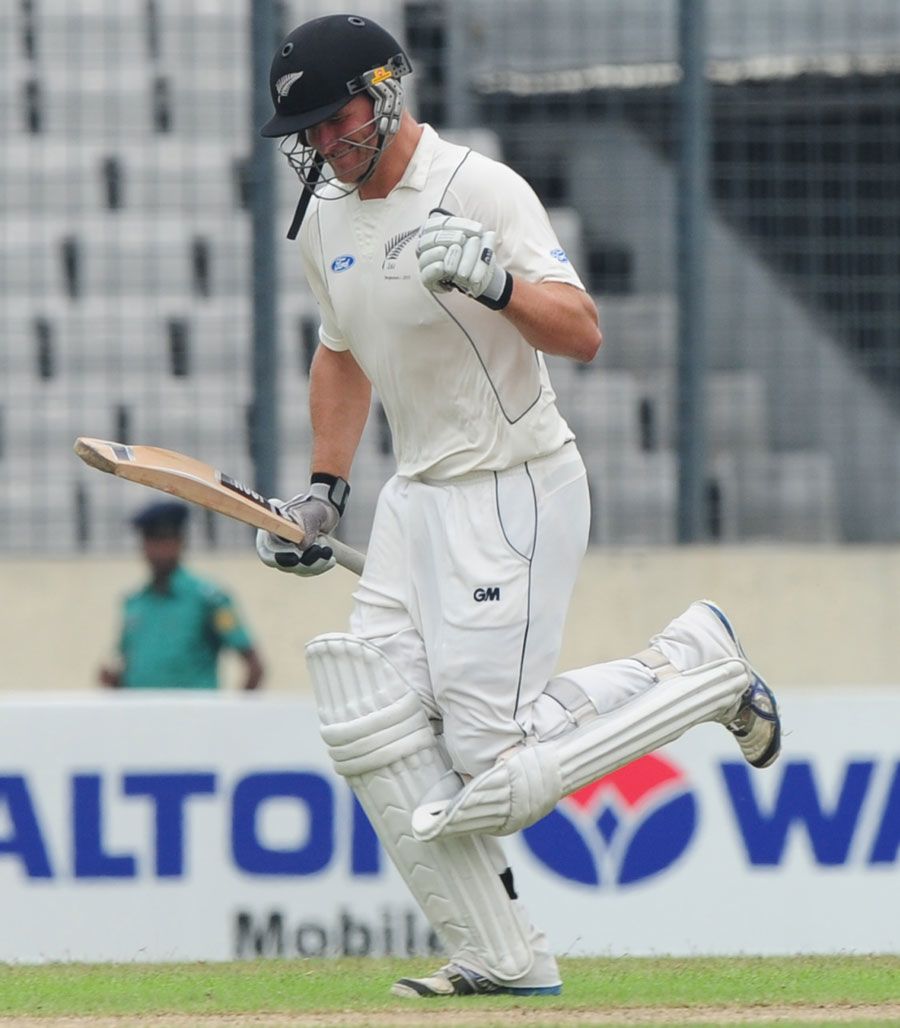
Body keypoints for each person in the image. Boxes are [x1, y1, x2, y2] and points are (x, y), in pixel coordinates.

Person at [255, 14, 781, 998]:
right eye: (308, 130)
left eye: (336, 118)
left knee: (495, 769)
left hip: (514, 485)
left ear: (386, 91)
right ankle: (503, 955)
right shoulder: (324, 219)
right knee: (368, 719)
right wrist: (324, 493)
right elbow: (339, 353)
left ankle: (699, 667)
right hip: (415, 498)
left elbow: (582, 330)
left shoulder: (481, 188)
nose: (324, 143)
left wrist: (496, 283)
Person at [99, 500, 264, 691]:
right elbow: (130, 666)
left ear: (180, 542)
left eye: (165, 540)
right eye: (151, 541)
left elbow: (254, 665)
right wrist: (115, 681)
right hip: (141, 710)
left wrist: (236, 709)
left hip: (194, 709)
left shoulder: (208, 599)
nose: (158, 550)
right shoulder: (134, 602)